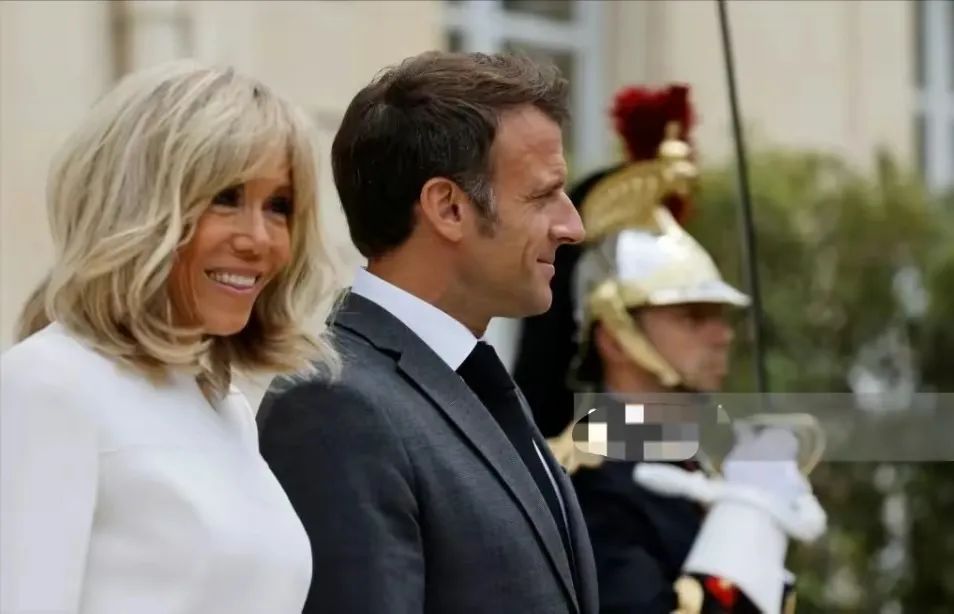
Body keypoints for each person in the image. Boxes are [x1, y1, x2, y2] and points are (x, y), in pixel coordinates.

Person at [257, 51, 598, 614]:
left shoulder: (472, 382)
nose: (572, 226)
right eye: (542, 195)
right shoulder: (336, 404)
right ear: (448, 208)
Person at [0, 59, 339, 614]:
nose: (258, 239)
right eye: (225, 197)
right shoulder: (47, 383)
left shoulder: (223, 406)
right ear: (138, 204)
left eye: (278, 207)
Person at [513, 84, 826, 613]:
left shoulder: (692, 464)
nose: (720, 334)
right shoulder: (587, 482)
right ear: (614, 335)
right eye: (692, 317)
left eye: (720, 317)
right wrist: (746, 521)